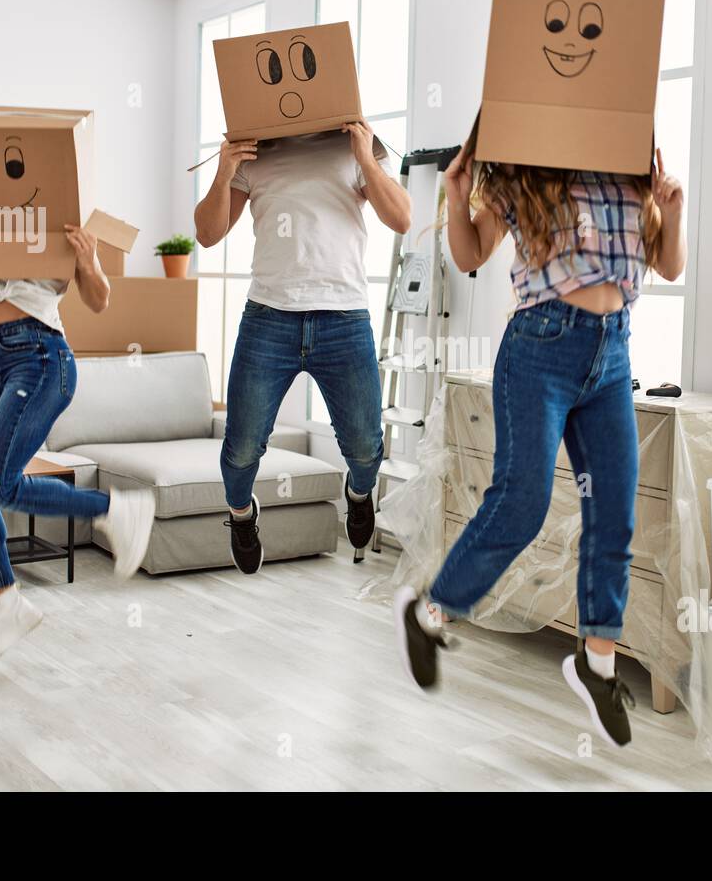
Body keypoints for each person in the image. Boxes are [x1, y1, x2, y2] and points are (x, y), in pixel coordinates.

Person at [394, 133, 685, 748]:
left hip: (612, 354)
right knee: (521, 502)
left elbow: (669, 263)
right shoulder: (528, 166)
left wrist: (673, 209)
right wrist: (453, 192)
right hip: (540, 351)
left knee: (614, 514)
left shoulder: (633, 173)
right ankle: (430, 612)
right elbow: (471, 253)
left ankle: (596, 664)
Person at [0, 220, 156, 669]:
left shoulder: (50, 207)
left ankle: (114, 509)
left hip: (39, 357)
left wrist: (88, 260)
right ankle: (4, 602)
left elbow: (98, 299)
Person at [194, 121, 411, 572]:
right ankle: (241, 514)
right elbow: (208, 234)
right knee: (241, 449)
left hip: (344, 319)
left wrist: (366, 157)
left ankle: (357, 493)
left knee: (367, 449)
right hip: (269, 318)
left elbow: (402, 218)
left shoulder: (358, 141)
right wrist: (223, 170)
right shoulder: (255, 147)